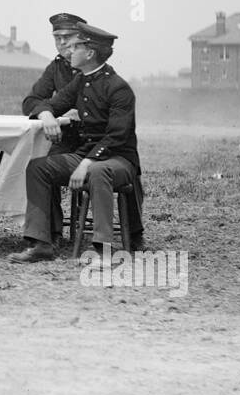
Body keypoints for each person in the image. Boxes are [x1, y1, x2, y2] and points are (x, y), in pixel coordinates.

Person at [10, 23, 143, 264]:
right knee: (38, 168)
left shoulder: (119, 88)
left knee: (98, 170)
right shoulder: (81, 81)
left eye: (75, 47)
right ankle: (41, 244)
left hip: (117, 159)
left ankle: (103, 249)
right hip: (85, 155)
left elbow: (116, 137)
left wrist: (86, 163)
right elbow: (49, 102)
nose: (69, 51)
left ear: (90, 53)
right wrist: (46, 114)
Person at [20, 11, 87, 234]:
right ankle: (50, 234)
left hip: (96, 142)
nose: (61, 43)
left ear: (82, 37)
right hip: (66, 140)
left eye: (67, 37)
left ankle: (134, 234)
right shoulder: (56, 67)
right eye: (57, 38)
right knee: (40, 164)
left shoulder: (94, 65)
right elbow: (31, 100)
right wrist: (46, 114)